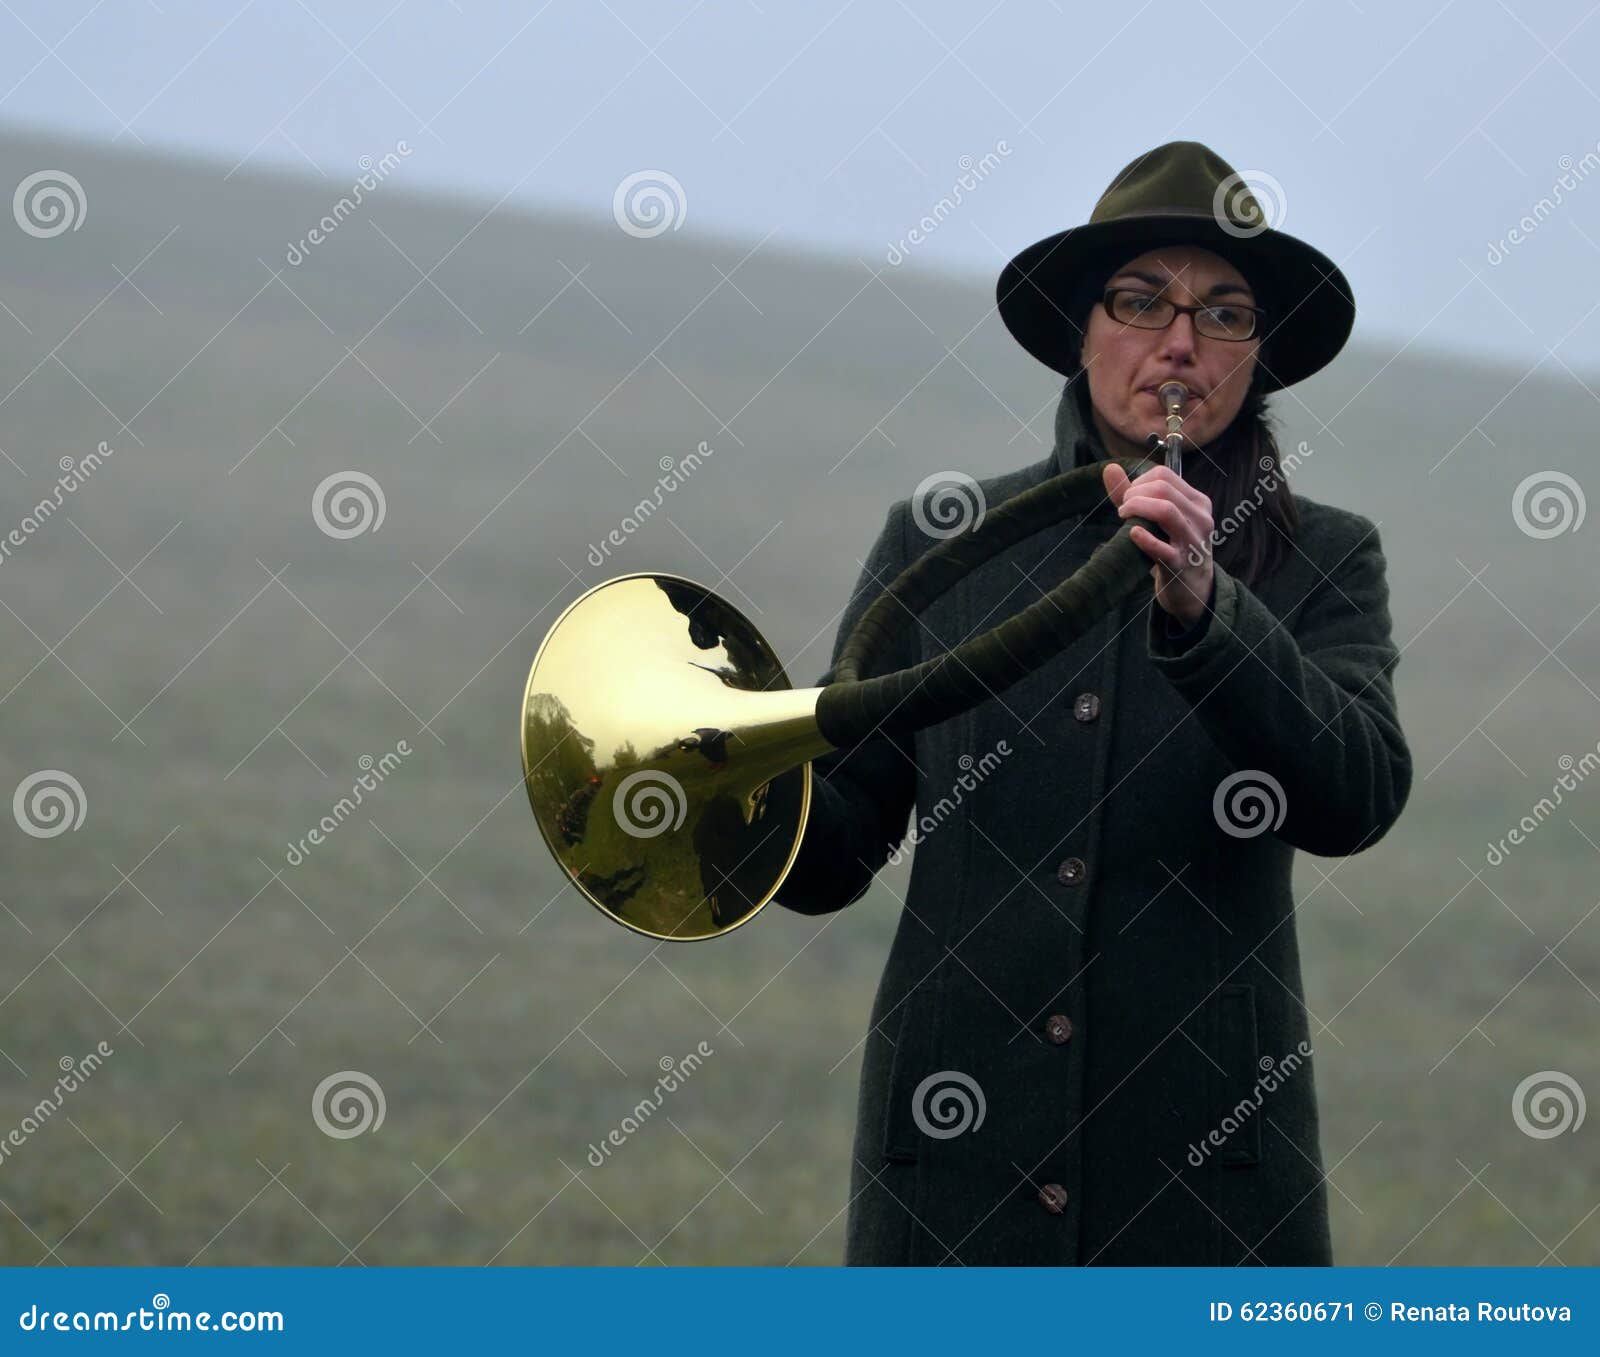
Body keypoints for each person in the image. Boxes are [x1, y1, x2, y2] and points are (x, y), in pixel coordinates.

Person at [775, 141, 1412, 1266]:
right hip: (951, 1185)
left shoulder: (1324, 557)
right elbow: (831, 854)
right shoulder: (942, 544)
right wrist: (729, 785)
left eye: (1225, 314)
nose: (1180, 342)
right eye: (1140, 301)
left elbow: (1356, 794)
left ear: (1256, 357)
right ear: (1082, 330)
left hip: (1208, 1198)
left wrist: (1212, 611)